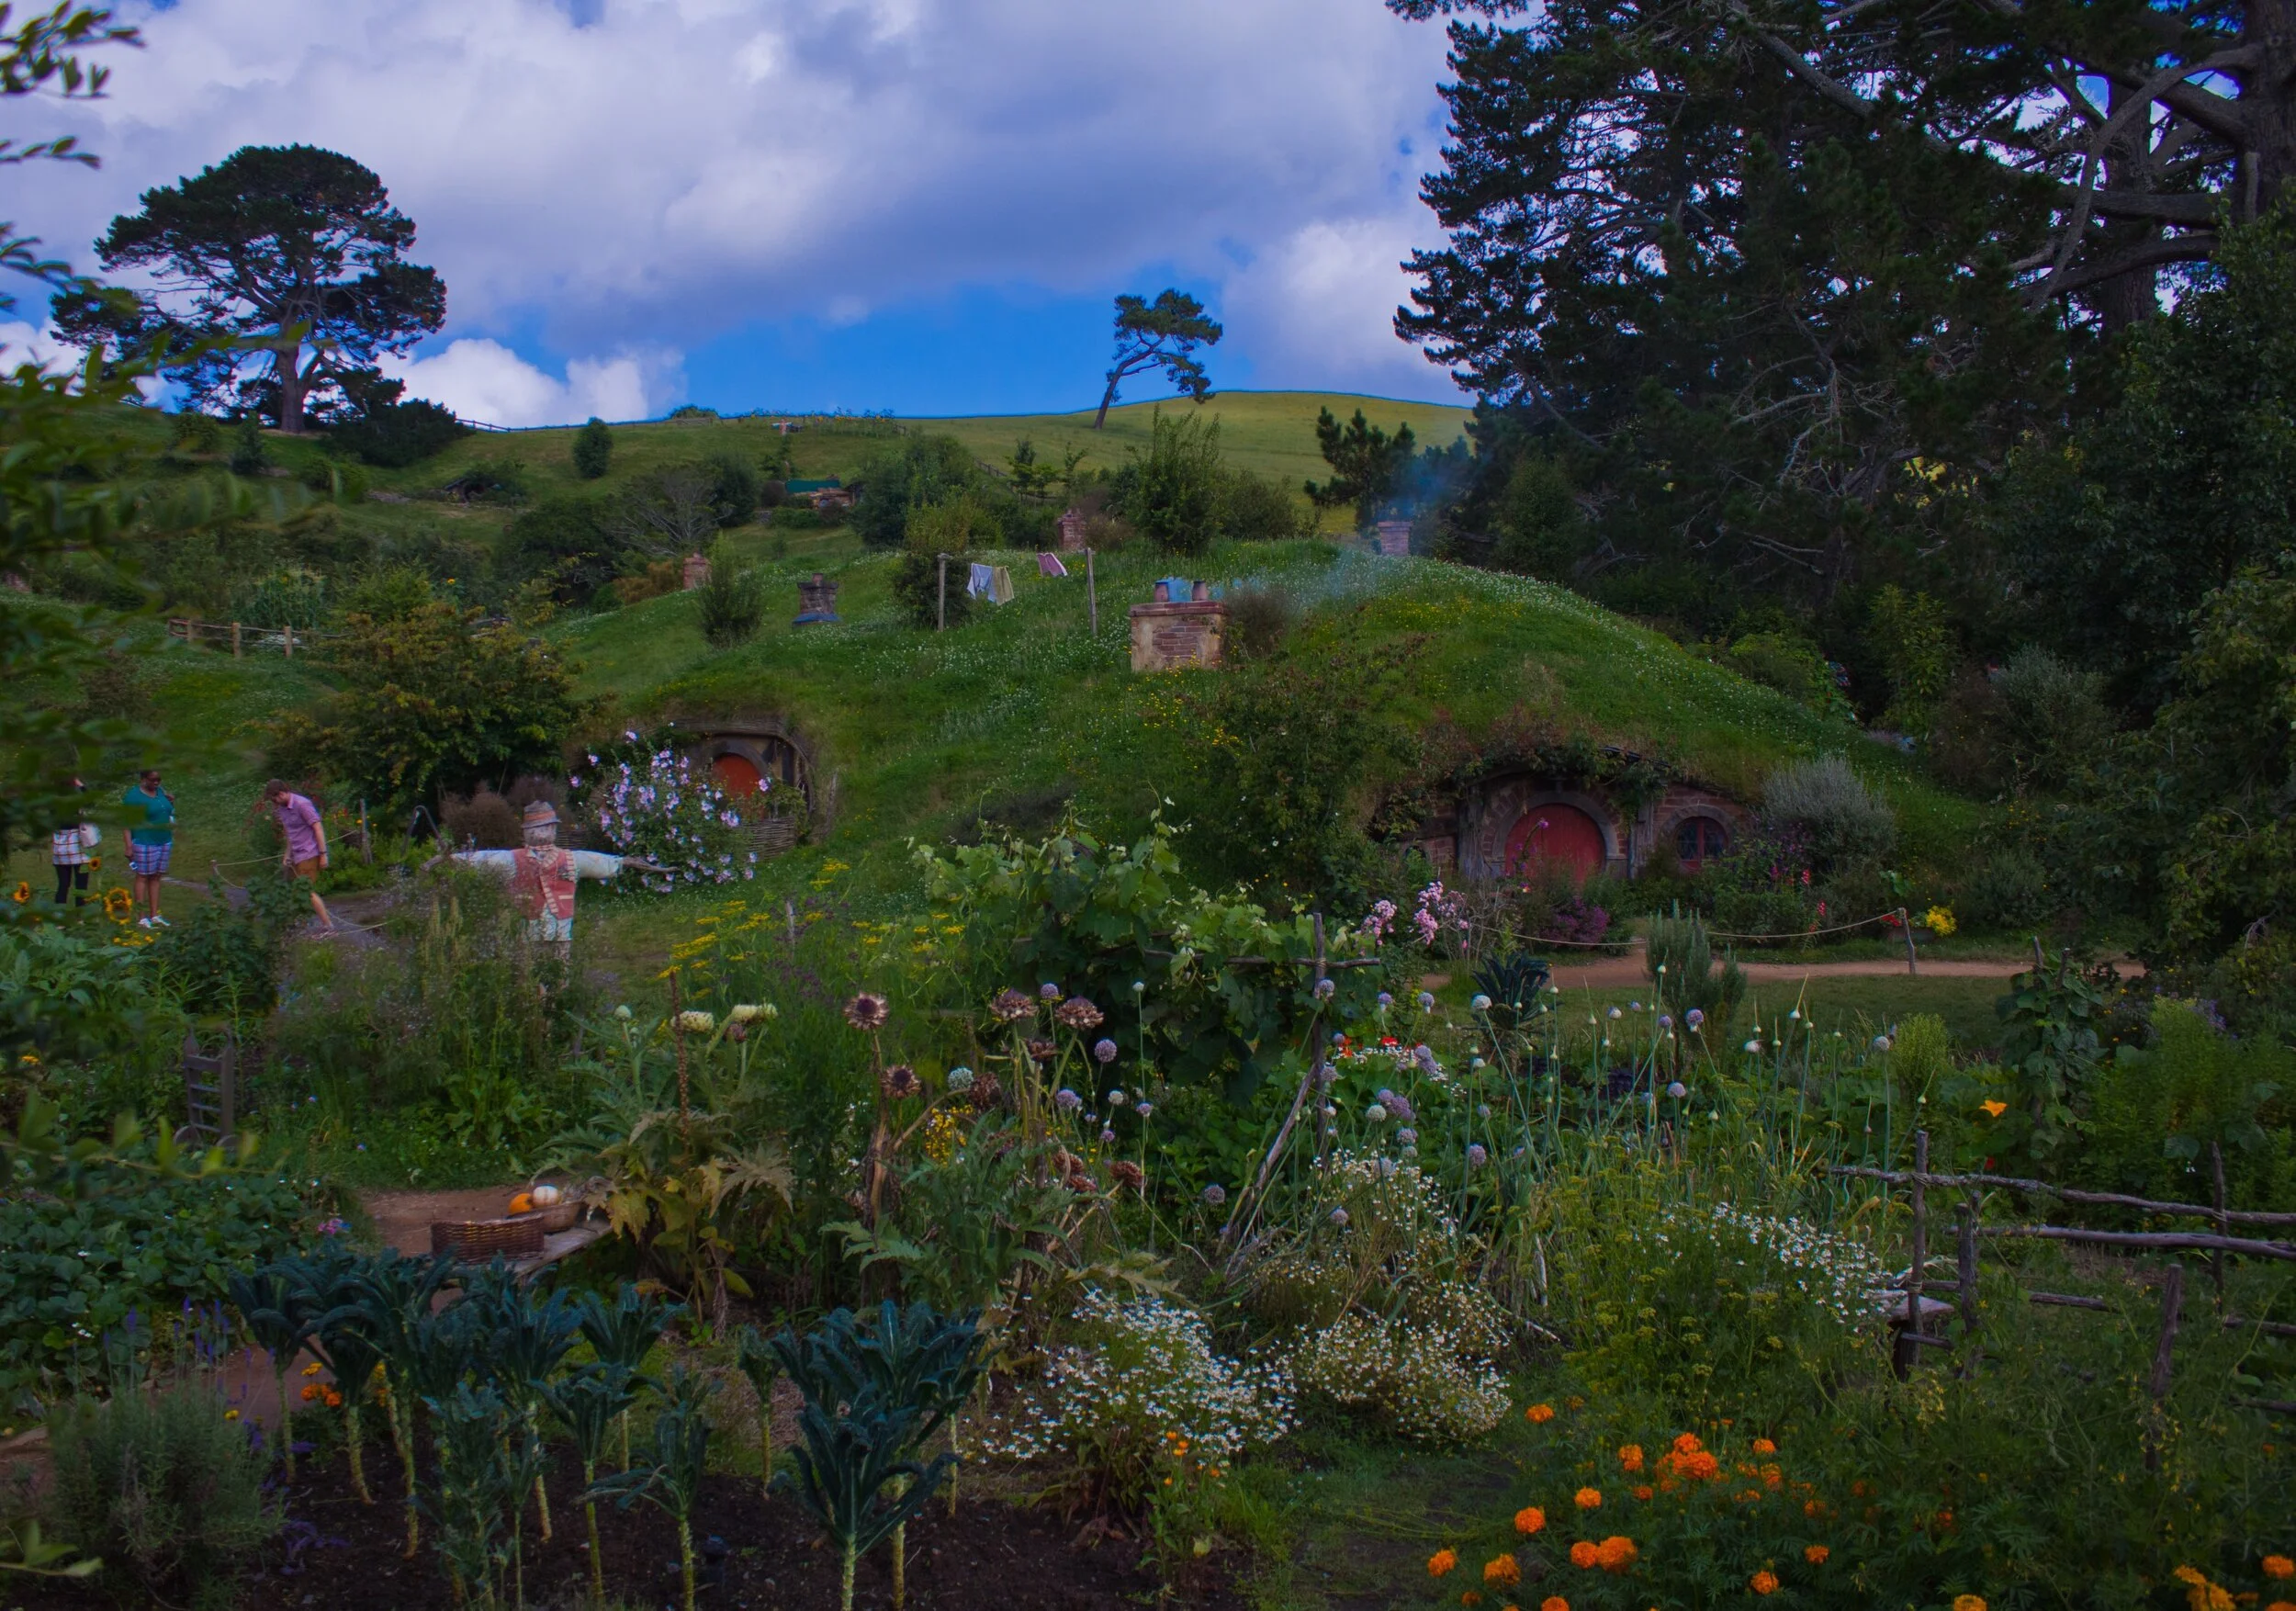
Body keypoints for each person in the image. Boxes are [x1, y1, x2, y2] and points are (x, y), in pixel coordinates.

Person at [428, 800, 659, 954]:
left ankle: (556, 1006)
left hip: (561, 928)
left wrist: (623, 862)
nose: (546, 832)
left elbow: (596, 861)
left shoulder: (570, 858)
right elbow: (483, 859)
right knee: (528, 973)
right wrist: (451, 859)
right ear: (528, 832)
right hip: (527, 928)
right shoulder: (513, 859)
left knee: (560, 971)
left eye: (549, 827)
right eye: (540, 828)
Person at [264, 779, 335, 933]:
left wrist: (324, 854)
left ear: (281, 794)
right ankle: (298, 925)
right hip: (296, 854)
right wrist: (287, 854)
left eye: (274, 798)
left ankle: (328, 927)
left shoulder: (302, 804)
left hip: (309, 853)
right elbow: (290, 833)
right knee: (294, 890)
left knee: (306, 891)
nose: (274, 802)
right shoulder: (282, 809)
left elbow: (318, 828)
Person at [121, 768, 174, 927]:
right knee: (143, 876)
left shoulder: (160, 792)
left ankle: (154, 914)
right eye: (152, 780)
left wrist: (171, 802)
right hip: (145, 841)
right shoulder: (133, 797)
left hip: (164, 839)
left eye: (158, 779)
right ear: (143, 779)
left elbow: (167, 811)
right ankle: (142, 917)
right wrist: (128, 846)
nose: (156, 782)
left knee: (156, 876)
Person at [50, 780, 96, 907]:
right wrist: (80, 784)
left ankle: (60, 917)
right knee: (81, 884)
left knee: (63, 884)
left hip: (60, 845)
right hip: (78, 842)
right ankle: (80, 915)